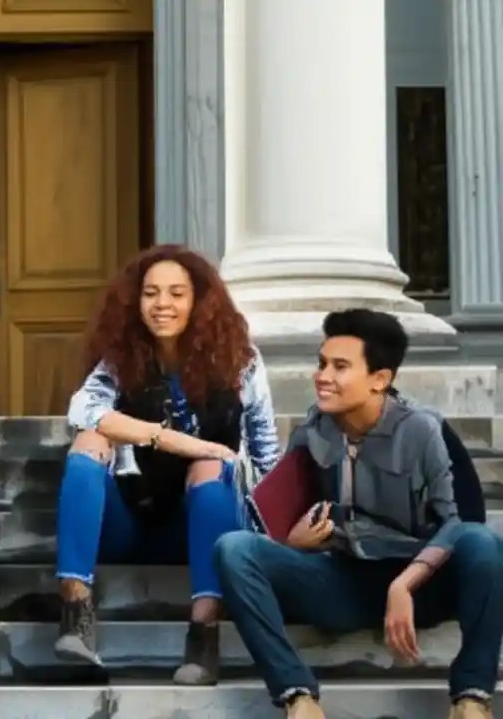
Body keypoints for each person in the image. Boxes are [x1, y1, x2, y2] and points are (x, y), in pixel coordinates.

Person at [214, 309, 503, 719]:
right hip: (344, 582)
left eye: (340, 366)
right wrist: (293, 541)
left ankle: (471, 698)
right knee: (234, 549)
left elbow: (461, 522)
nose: (322, 376)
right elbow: (285, 514)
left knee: (483, 543)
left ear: (379, 379)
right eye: (322, 363)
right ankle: (298, 697)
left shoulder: (424, 430)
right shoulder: (313, 431)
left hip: (423, 586)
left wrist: (405, 583)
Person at [54, 245, 280, 686]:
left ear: (199, 301)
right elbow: (83, 410)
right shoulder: (123, 360)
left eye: (177, 293)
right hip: (130, 522)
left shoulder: (240, 362)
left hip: (208, 527)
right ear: (134, 302)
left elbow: (266, 456)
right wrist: (174, 440)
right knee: (89, 440)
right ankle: (75, 611)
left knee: (209, 467)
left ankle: (204, 634)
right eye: (151, 293)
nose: (162, 304)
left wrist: (277, 540)